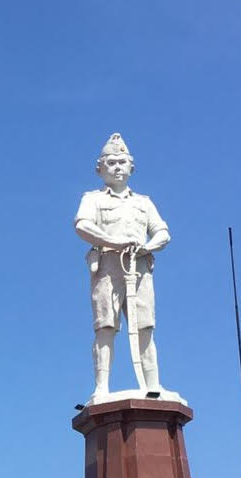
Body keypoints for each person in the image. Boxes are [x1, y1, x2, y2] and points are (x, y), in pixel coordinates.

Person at [73, 133, 172, 403]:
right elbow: (82, 225)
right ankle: (101, 388)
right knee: (105, 326)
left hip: (139, 269)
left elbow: (163, 231)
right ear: (100, 168)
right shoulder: (92, 199)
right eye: (111, 162)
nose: (117, 167)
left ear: (131, 167)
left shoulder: (144, 202)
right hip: (107, 266)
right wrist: (114, 241)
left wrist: (148, 247)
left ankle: (154, 385)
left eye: (122, 162)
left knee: (145, 327)